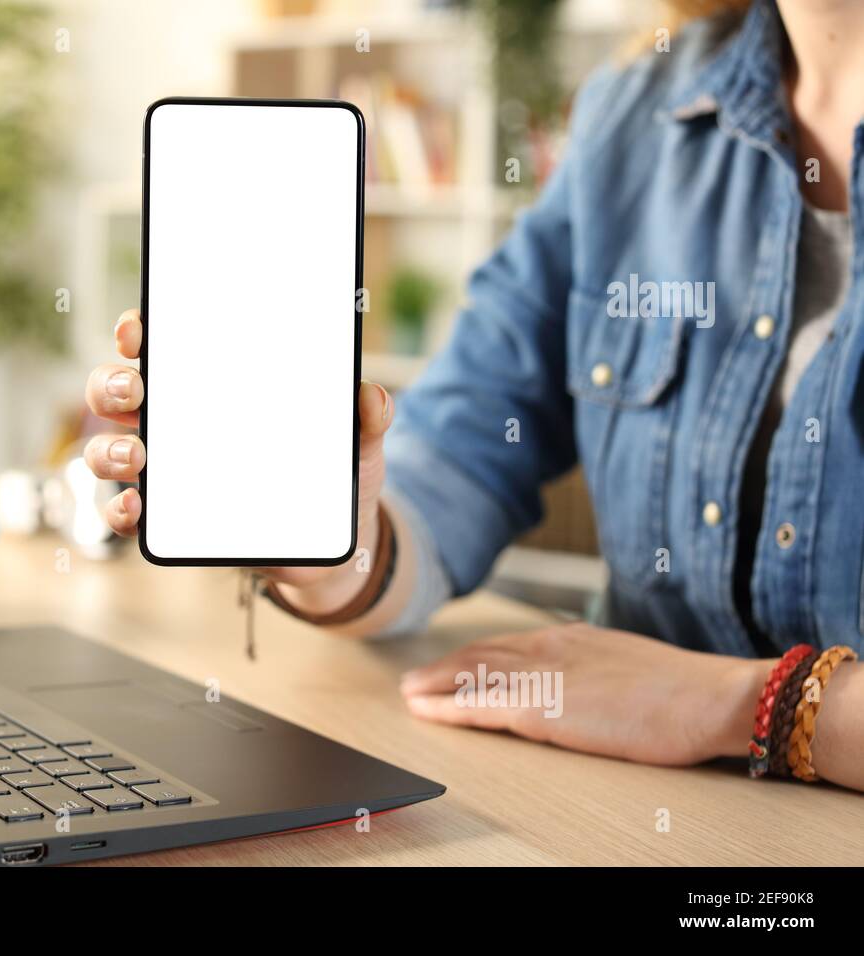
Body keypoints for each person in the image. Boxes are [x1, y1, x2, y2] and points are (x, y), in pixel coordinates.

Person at [83, 0, 864, 791]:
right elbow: (460, 453)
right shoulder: (635, 112)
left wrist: (741, 702)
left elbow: (715, 701)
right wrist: (336, 550)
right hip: (635, 813)